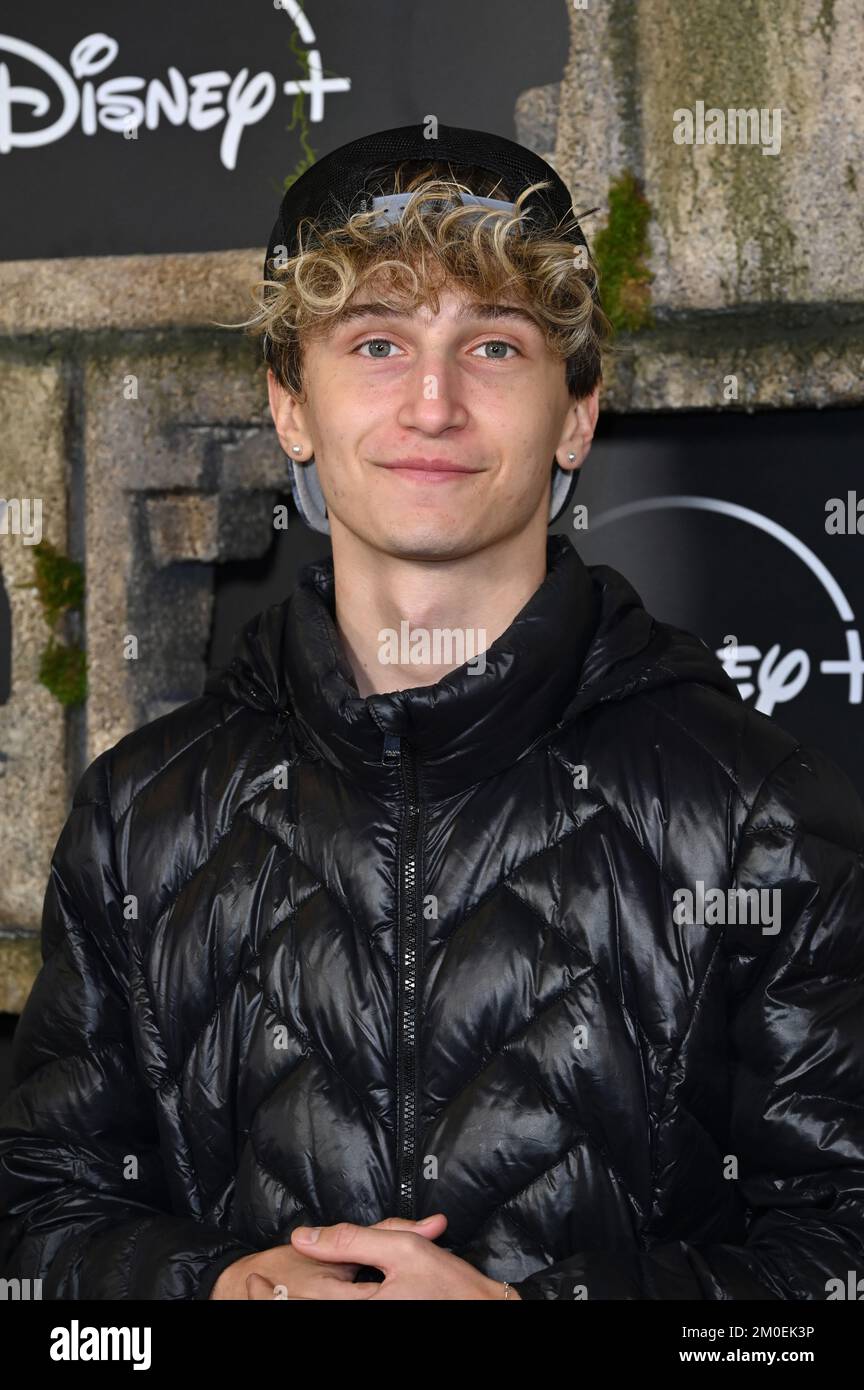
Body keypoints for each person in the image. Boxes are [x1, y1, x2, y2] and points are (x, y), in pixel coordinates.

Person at [1, 122, 862, 1301]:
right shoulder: (137, 815)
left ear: (575, 412)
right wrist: (214, 1290)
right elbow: (38, 1229)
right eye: (376, 341)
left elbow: (840, 1263)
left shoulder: (761, 812)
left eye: (495, 346)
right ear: (290, 406)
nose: (433, 402)